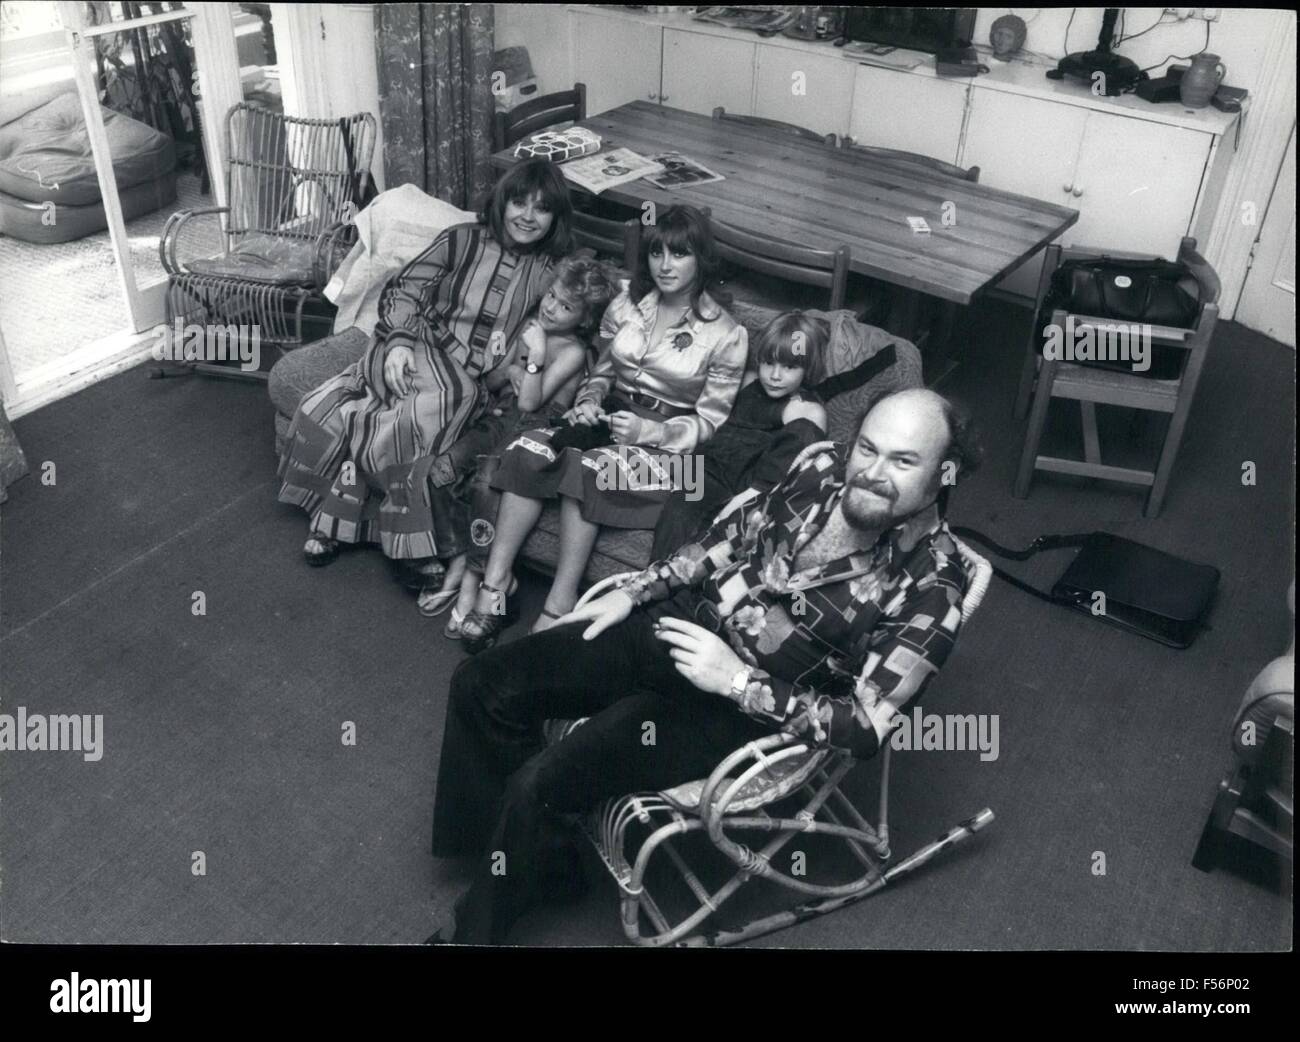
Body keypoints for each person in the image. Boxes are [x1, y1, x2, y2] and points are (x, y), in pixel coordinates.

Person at [426, 388, 982, 945]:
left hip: (736, 712)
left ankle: (474, 929)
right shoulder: (820, 465)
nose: (872, 473)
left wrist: (736, 680)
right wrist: (637, 590)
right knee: (481, 683)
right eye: (868, 448)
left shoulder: (934, 588)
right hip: (681, 626)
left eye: (903, 461)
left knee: (538, 784)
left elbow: (865, 726)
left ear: (944, 473)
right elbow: (730, 535)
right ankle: (538, 860)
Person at [276, 159, 573, 599]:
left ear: (555, 218)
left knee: (423, 407)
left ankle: (334, 520)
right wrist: (398, 343)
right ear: (502, 202)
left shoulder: (550, 271)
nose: (528, 216)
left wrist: (524, 368)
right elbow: (404, 290)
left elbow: (576, 310)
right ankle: (405, 545)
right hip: (414, 341)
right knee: (407, 407)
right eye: (519, 203)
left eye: (542, 208)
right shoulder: (462, 239)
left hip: (468, 376)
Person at [458, 204, 749, 651]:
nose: (665, 265)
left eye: (679, 254)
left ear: (701, 259)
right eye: (656, 253)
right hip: (608, 423)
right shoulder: (628, 304)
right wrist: (589, 402)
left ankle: (559, 606)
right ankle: (496, 588)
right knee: (527, 451)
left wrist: (648, 433)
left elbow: (713, 423)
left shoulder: (726, 334)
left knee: (592, 471)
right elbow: (603, 372)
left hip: (679, 460)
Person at [418, 257, 620, 623]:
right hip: (500, 418)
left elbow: (530, 402)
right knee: (441, 472)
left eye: (566, 307)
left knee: (485, 485)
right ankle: (459, 557)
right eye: (552, 296)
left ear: (584, 319)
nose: (552, 308)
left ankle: (477, 579)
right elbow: (494, 379)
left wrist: (537, 354)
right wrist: (514, 367)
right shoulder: (530, 327)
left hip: (534, 429)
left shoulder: (572, 351)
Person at [650, 310, 829, 560]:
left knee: (684, 508)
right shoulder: (748, 381)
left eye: (789, 367)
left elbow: (777, 478)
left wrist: (734, 508)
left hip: (740, 489)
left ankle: (662, 580)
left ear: (808, 368)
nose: (775, 376)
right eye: (769, 363)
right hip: (701, 466)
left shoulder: (805, 411)